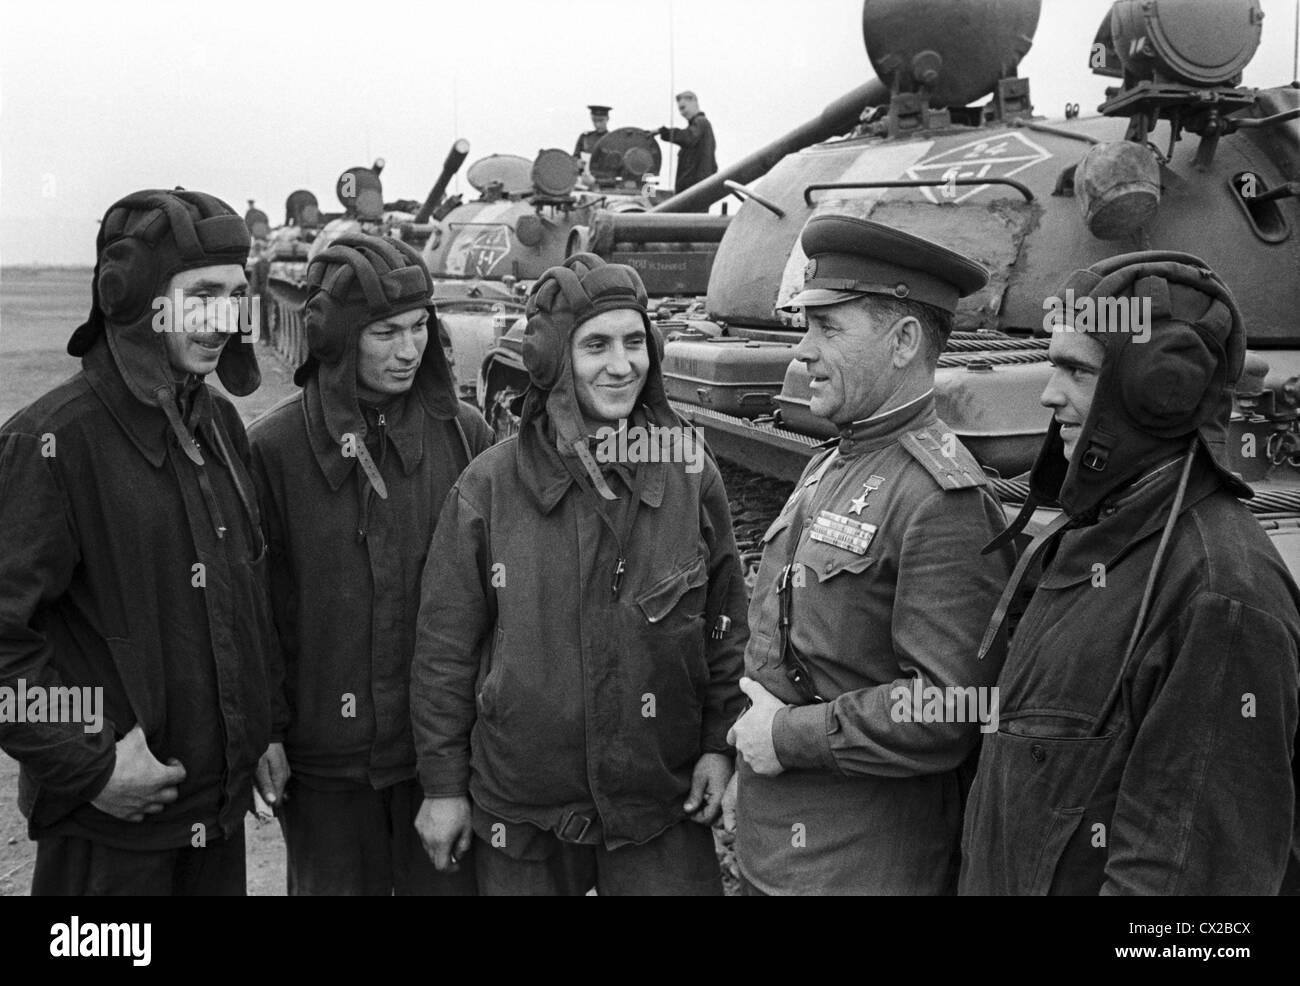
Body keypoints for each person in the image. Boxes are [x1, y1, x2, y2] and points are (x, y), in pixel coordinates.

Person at [960, 252, 1300, 895]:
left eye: (1076, 371)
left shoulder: (1218, 596)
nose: (1047, 393)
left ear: (1159, 393)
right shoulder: (1100, 535)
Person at [410, 253, 748, 896]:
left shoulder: (687, 472)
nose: (622, 365)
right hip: (522, 802)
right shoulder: (489, 486)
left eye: (634, 342)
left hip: (657, 797)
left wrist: (717, 742)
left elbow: (725, 622)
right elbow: (443, 653)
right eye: (595, 345)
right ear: (555, 363)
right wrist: (443, 787)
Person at [0, 189, 279, 895]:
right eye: (203, 294)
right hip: (112, 837)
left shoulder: (215, 423)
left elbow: (244, 594)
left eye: (236, 296)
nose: (225, 319)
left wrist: (263, 729)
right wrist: (89, 763)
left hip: (213, 821)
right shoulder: (53, 442)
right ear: (133, 296)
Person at [727, 215, 1015, 895]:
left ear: (904, 341)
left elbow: (952, 706)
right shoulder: (837, 455)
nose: (803, 351)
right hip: (786, 849)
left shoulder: (939, 498)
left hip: (861, 867)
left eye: (829, 328)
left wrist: (786, 737)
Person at [247, 234, 492, 896]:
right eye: (385, 332)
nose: (409, 350)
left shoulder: (465, 436)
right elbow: (251, 610)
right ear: (338, 336)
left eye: (419, 328)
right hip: (325, 763)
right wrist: (262, 728)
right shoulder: (271, 450)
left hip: (437, 761)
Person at [657, 90, 717, 205]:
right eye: (680, 109)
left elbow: (688, 138)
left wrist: (663, 132)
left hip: (694, 193)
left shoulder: (701, 123)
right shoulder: (700, 127)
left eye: (683, 107)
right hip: (695, 192)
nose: (682, 113)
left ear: (694, 102)